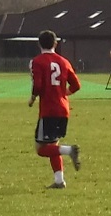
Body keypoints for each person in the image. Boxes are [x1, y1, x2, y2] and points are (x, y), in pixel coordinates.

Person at [29, 29, 82, 189]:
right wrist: (63, 93)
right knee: (53, 145)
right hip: (63, 109)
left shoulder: (38, 61)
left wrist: (32, 98)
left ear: (39, 44)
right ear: (56, 44)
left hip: (49, 110)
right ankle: (59, 181)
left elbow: (38, 85)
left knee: (41, 149)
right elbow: (76, 85)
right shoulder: (64, 61)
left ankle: (69, 150)